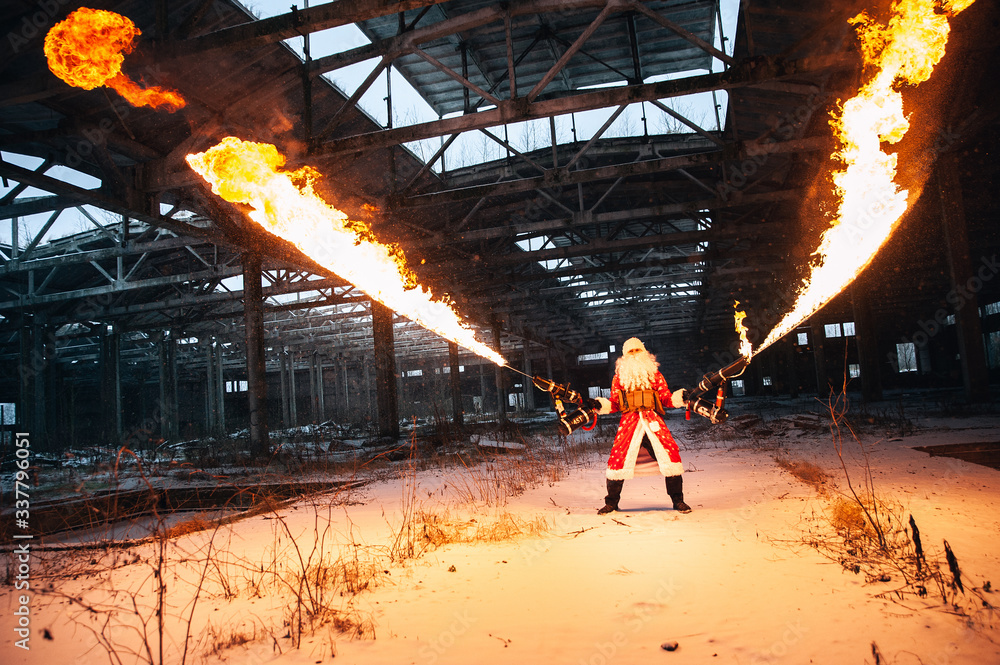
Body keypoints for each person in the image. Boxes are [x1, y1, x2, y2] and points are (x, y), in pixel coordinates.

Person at [592, 337, 691, 514]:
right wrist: (601, 405)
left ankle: (678, 501)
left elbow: (666, 398)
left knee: (670, 457)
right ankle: (611, 503)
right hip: (629, 425)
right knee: (618, 460)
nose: (635, 354)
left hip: (653, 422)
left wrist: (679, 398)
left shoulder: (655, 375)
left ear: (644, 352)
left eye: (637, 350)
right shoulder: (619, 378)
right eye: (631, 351)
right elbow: (615, 403)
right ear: (624, 355)